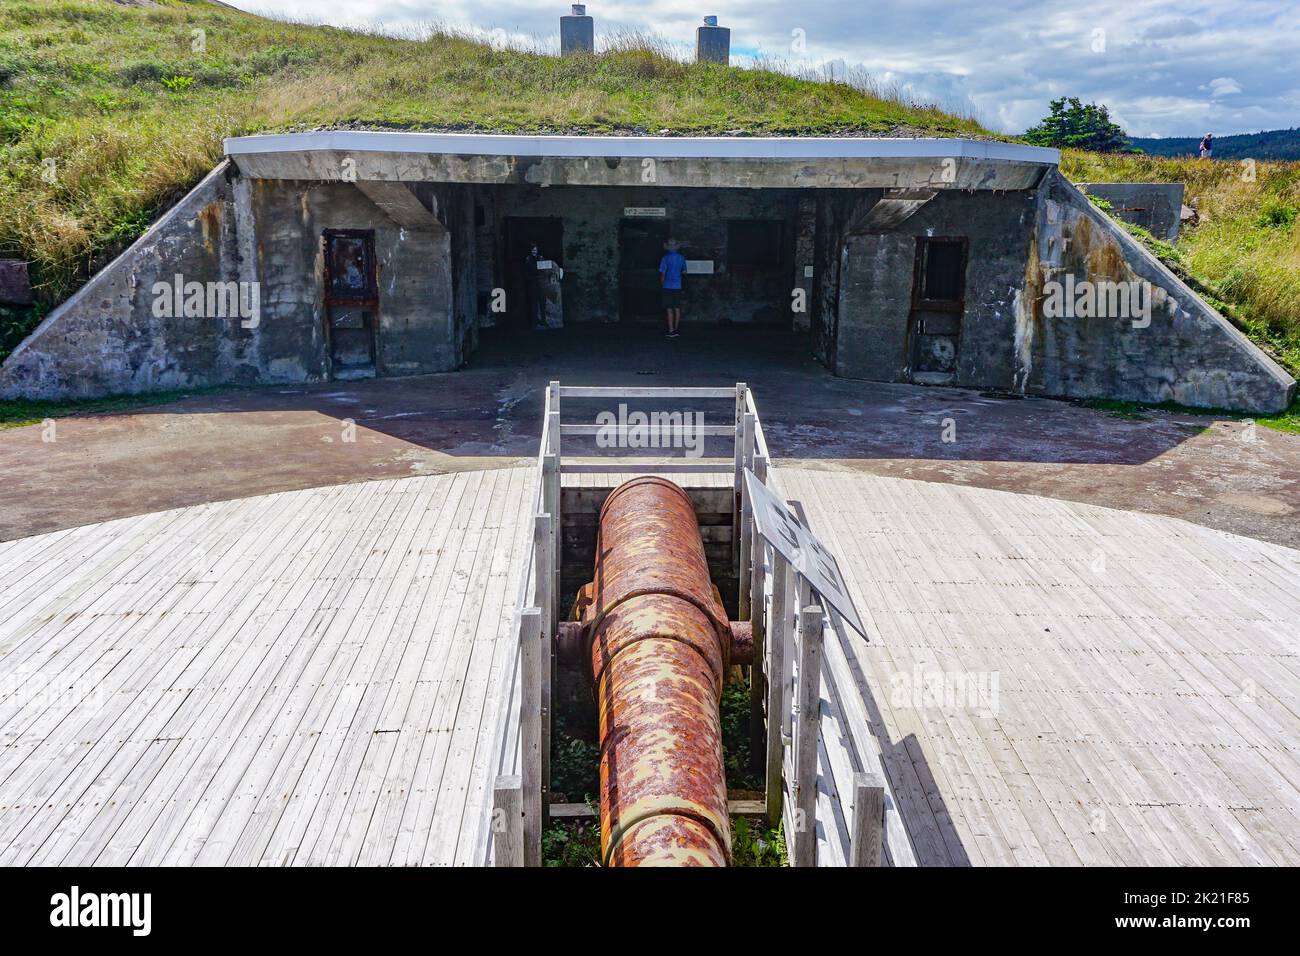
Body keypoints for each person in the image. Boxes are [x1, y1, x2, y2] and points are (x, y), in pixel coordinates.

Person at [659, 238, 687, 337]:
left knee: (669, 309)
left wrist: (662, 284)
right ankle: (676, 329)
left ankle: (671, 330)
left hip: (667, 285)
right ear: (676, 246)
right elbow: (684, 271)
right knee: (677, 308)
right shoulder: (681, 258)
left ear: (668, 247)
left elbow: (662, 274)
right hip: (677, 285)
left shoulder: (665, 258)